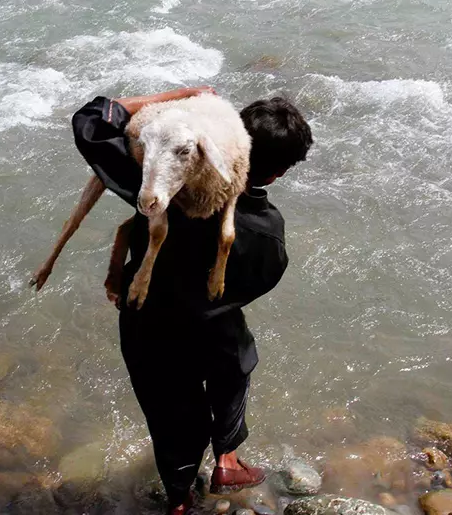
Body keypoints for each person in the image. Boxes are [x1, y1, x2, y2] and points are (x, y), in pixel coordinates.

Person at [71, 86, 313, 515]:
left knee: (170, 412)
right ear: (277, 174)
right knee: (235, 371)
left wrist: (181, 94)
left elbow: (90, 121)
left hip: (147, 321)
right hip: (212, 325)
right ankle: (227, 460)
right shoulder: (264, 229)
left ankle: (180, 499)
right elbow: (263, 279)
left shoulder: (154, 183)